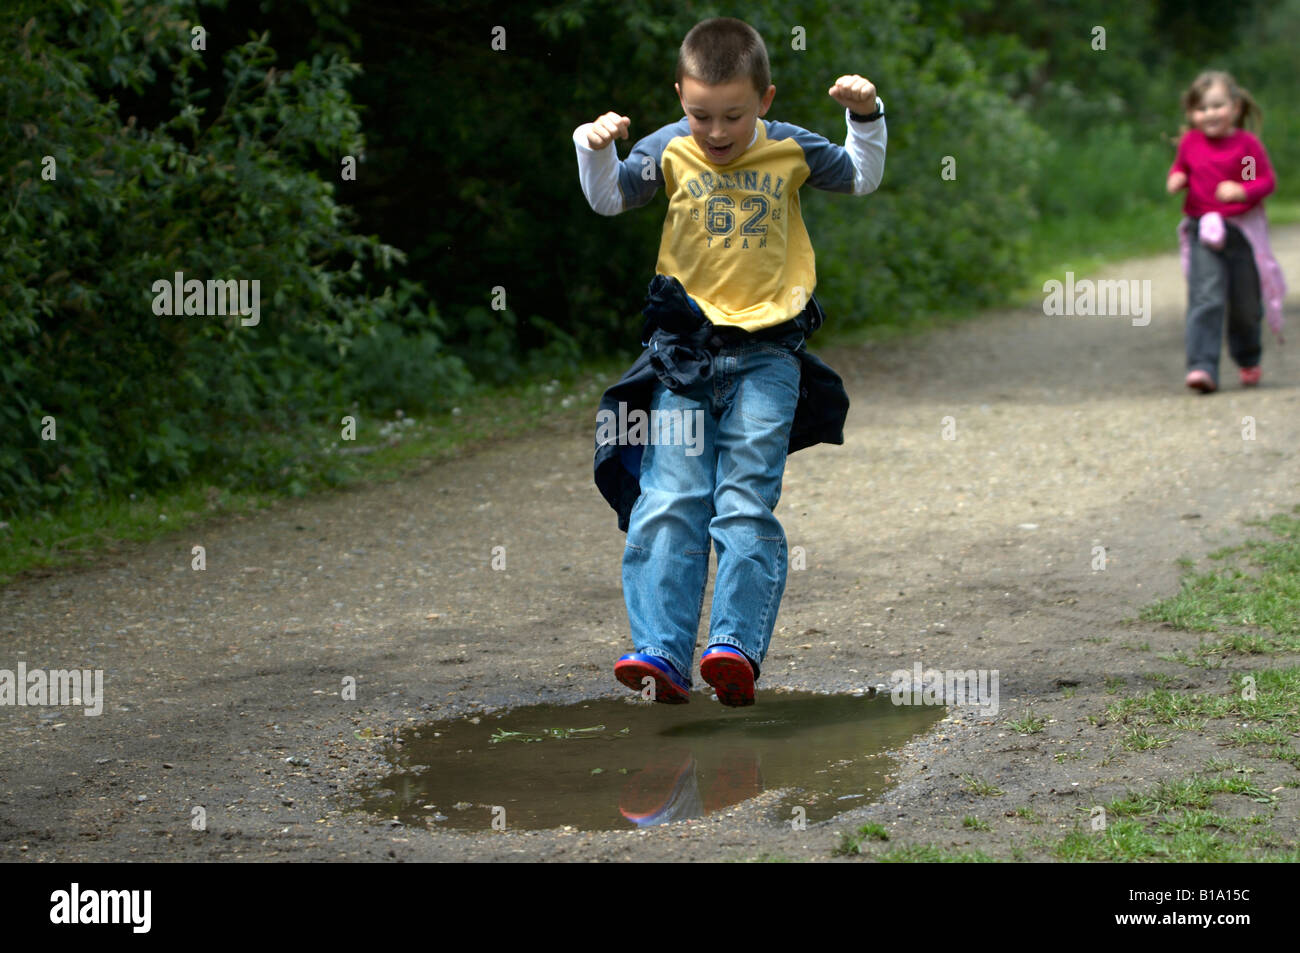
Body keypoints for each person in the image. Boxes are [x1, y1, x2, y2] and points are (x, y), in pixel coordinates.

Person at [572, 17, 886, 705]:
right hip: (683, 355)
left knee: (744, 501)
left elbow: (861, 176)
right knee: (669, 498)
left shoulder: (791, 148)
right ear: (679, 96)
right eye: (700, 115)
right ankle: (660, 650)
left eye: (734, 116)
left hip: (769, 355)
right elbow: (607, 197)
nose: (716, 132)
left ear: (766, 100)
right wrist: (590, 147)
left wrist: (866, 114)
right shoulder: (666, 149)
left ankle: (733, 647)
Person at [1167, 70, 1286, 393]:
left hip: (1240, 233)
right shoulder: (1191, 143)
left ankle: (1248, 357)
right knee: (1206, 297)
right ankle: (1202, 366)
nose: (1210, 114)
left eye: (1218, 106)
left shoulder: (1245, 146)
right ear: (1192, 113)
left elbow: (1262, 181)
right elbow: (1183, 167)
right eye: (1202, 108)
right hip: (1203, 230)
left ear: (1235, 107)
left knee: (1245, 305)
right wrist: (1177, 178)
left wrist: (1242, 190)